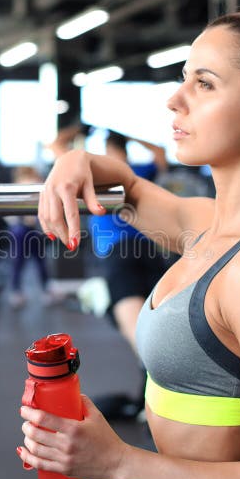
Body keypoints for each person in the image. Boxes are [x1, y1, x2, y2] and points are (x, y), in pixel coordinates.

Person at [18, 9, 240, 479]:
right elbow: (130, 188)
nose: (175, 100)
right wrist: (73, 159)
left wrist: (118, 463)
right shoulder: (208, 224)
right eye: (183, 80)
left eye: (205, 84)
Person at [88, 130, 171, 419]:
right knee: (150, 327)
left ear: (111, 149)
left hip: (125, 253)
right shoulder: (134, 172)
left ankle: (157, 399)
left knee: (143, 329)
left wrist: (84, 131)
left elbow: (57, 146)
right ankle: (154, 395)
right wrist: (132, 139)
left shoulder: (125, 174)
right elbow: (160, 152)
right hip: (146, 249)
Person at [4, 166, 61, 308]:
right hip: (20, 230)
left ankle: (45, 289)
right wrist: (21, 220)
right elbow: (8, 214)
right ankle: (16, 291)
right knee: (19, 261)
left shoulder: (39, 185)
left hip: (35, 230)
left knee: (39, 260)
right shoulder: (16, 189)